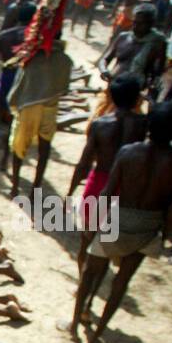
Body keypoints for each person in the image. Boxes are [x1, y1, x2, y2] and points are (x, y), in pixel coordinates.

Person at [68, 102, 172, 343]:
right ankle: (96, 337)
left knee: (91, 273)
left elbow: (107, 192)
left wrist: (93, 226)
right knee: (121, 283)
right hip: (148, 224)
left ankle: (74, 324)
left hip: (117, 219)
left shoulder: (129, 152)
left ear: (148, 125)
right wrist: (164, 235)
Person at [69, 73, 149, 266]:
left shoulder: (100, 124)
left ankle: (82, 283)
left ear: (111, 96)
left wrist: (70, 192)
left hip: (98, 183)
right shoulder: (144, 124)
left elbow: (84, 163)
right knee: (109, 240)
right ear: (137, 98)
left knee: (86, 239)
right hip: (125, 187)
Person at [8, 35, 74, 197]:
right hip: (50, 107)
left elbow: (19, 86)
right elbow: (64, 88)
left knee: (19, 147)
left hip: (28, 108)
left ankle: (15, 187)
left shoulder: (30, 57)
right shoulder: (65, 60)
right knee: (44, 150)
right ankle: (35, 189)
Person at [0, 3, 40, 166]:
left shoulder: (5, 35)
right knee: (13, 122)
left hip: (5, 78)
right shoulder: (34, 38)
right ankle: (5, 159)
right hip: (22, 80)